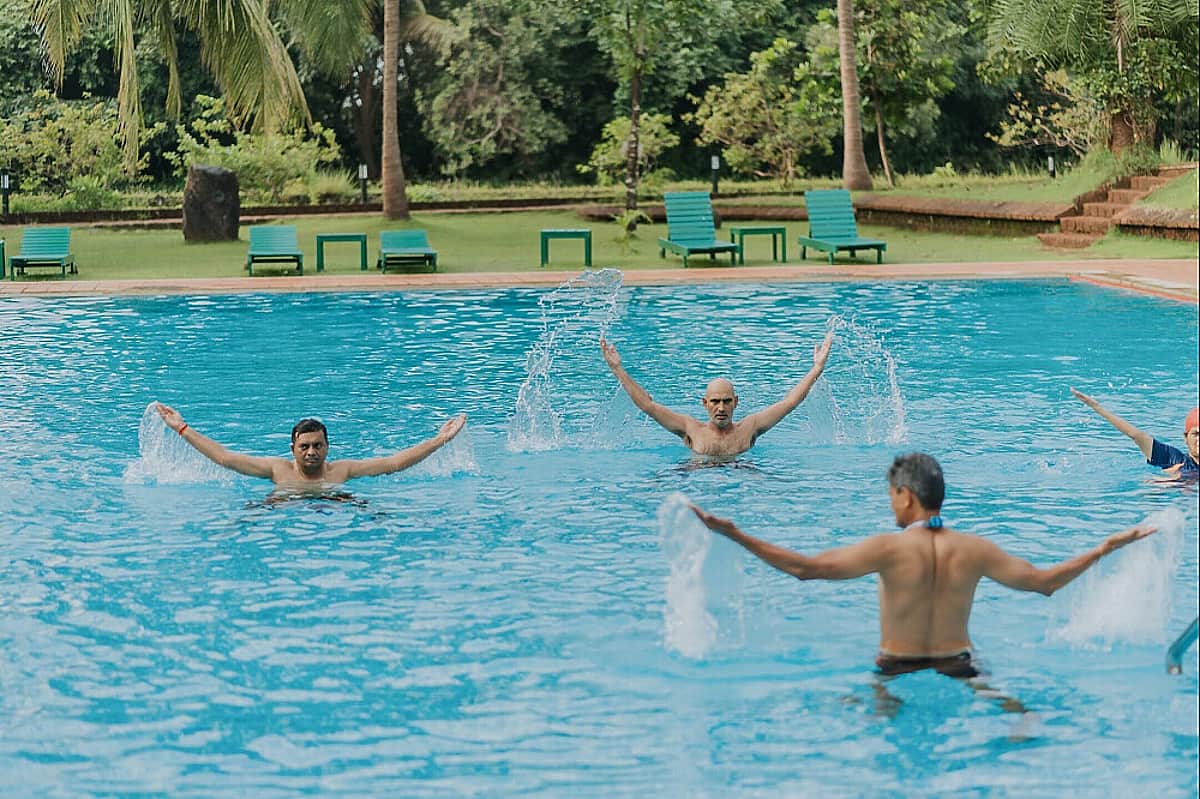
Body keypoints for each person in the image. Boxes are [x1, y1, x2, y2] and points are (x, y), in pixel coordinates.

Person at [689, 452, 1156, 678]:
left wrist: (735, 535)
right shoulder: (974, 549)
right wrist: (1104, 548)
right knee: (1001, 701)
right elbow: (1045, 584)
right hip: (961, 667)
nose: (890, 504)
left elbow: (807, 569)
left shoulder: (889, 550)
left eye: (891, 495)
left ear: (906, 497)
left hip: (896, 668)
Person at [599, 331, 834, 456]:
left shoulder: (750, 427)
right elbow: (647, 406)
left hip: (741, 475)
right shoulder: (690, 428)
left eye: (726, 401)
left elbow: (790, 401)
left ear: (736, 402)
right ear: (705, 403)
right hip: (697, 478)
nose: (720, 408)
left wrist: (816, 368)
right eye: (715, 402)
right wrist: (618, 369)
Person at [154, 403, 466, 487]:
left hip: (336, 504)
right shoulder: (278, 471)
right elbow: (224, 457)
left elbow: (394, 463)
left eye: (317, 445)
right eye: (304, 446)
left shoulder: (341, 472)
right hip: (282, 508)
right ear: (293, 449)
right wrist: (181, 427)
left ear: (327, 447)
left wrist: (439, 440)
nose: (311, 452)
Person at [1070, 388, 1199, 477]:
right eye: (1196, 434)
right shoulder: (1172, 458)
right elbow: (1135, 434)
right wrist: (1097, 407)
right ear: (1185, 437)